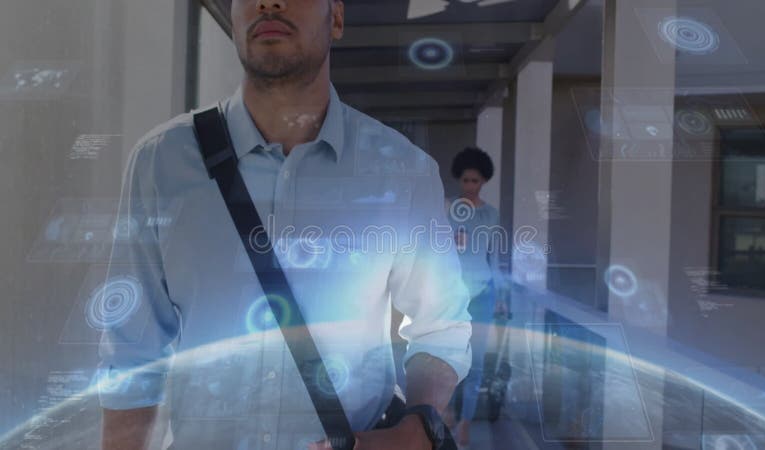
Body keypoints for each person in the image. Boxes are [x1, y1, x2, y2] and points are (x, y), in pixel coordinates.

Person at [98, 1, 471, 449]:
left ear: (335, 17)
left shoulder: (403, 172)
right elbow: (133, 352)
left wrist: (417, 428)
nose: (268, 2)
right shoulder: (162, 164)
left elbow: (440, 325)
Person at [445, 147, 507, 449]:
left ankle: (466, 421)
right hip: (454, 294)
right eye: (466, 180)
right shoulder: (450, 210)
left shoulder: (491, 214)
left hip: (483, 292)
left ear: (483, 181)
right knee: (452, 356)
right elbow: (440, 254)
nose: (470, 186)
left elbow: (493, 257)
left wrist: (500, 296)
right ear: (459, 179)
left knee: (477, 361)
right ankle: (452, 412)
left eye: (475, 181)